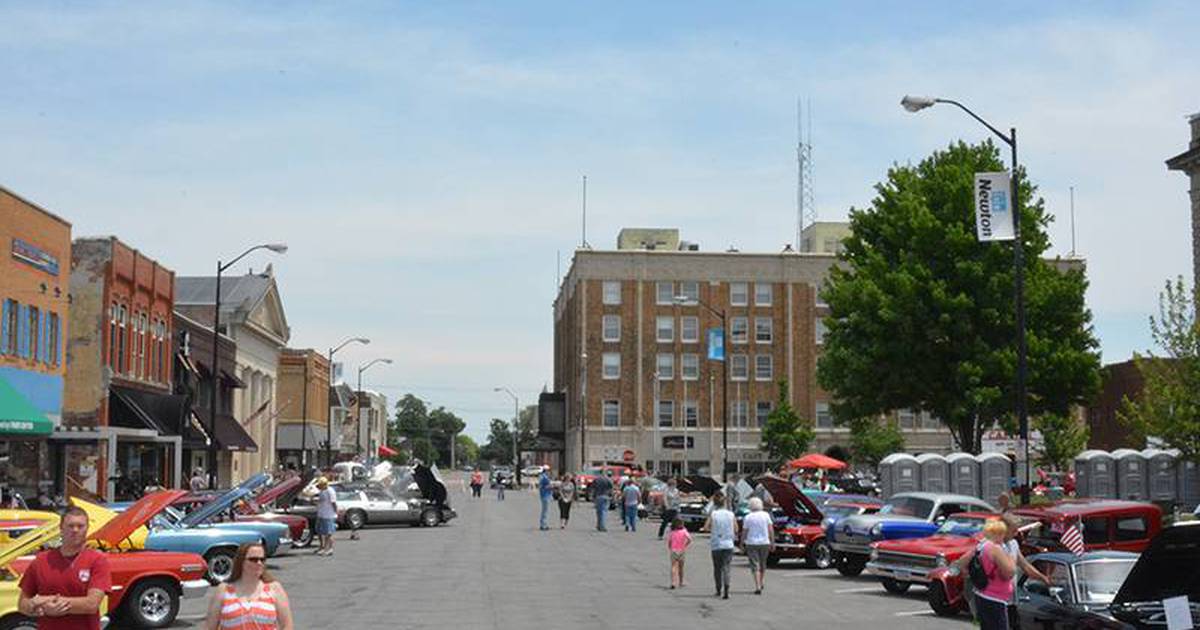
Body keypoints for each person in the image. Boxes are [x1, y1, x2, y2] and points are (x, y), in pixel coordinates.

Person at [18, 506, 111, 630]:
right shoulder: (40, 561)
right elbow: (22, 604)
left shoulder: (97, 560)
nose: (75, 530)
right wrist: (36, 607)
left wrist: (46, 601)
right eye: (70, 525)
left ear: (87, 529)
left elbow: (91, 604)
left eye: (80, 526)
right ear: (61, 528)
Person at [204, 543, 294, 630]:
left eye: (262, 559)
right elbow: (209, 627)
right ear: (241, 562)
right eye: (253, 559)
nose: (259, 563)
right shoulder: (224, 590)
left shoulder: (274, 588)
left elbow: (287, 625)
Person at [971, 519, 1017, 630]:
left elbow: (964, 563)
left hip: (982, 593)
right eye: (1002, 533)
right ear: (998, 534)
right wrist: (1010, 555)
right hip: (995, 597)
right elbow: (1009, 573)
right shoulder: (995, 549)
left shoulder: (981, 546)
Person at [702, 491, 738, 599]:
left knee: (717, 568)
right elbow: (736, 529)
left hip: (716, 544)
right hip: (728, 544)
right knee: (726, 567)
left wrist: (713, 530)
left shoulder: (713, 514)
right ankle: (727, 587)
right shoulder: (731, 514)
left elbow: (706, 527)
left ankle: (718, 588)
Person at [740, 497, 775, 595]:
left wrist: (741, 543)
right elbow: (770, 529)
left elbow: (744, 532)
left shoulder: (748, 517)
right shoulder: (766, 515)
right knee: (763, 564)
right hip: (764, 542)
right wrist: (772, 542)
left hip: (751, 543)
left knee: (755, 565)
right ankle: (761, 581)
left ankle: (757, 585)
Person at [314, 478, 338, 557]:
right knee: (319, 531)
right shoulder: (322, 490)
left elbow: (333, 503)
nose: (319, 487)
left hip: (328, 515)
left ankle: (329, 549)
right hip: (321, 514)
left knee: (329, 533)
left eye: (320, 485)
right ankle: (322, 547)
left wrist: (336, 512)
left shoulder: (330, 491)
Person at [667, 517, 692, 590]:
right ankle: (681, 582)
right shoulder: (684, 531)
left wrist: (670, 548)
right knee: (681, 567)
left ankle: (673, 582)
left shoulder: (672, 532)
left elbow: (669, 542)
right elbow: (690, 539)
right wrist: (685, 545)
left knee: (673, 566)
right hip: (681, 550)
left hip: (674, 550)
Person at [538, 466, 553, 531]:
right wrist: (551, 486)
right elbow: (544, 486)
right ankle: (543, 525)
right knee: (545, 511)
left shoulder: (542, 476)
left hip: (544, 495)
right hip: (545, 495)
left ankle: (543, 524)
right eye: (548, 470)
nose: (549, 472)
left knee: (544, 511)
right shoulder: (545, 477)